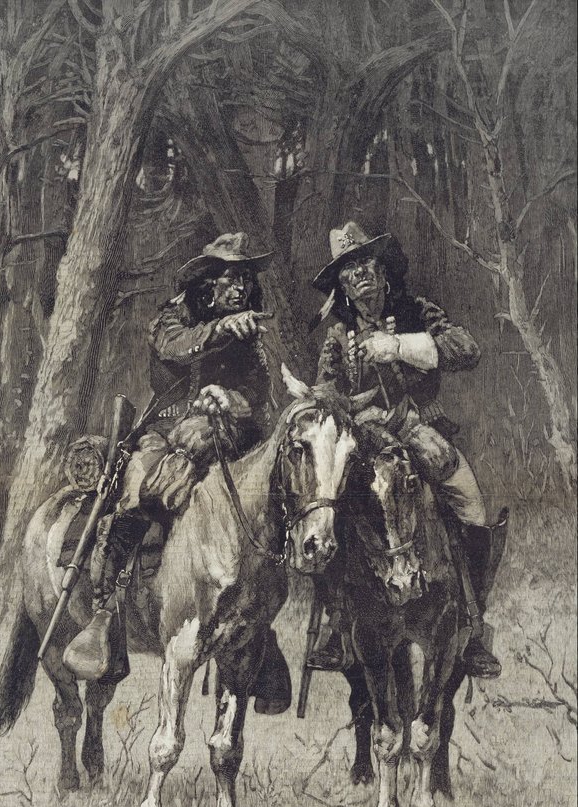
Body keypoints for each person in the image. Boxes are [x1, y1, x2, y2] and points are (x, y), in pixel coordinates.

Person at [69, 233, 292, 712]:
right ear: (208, 284)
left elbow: (259, 390)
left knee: (273, 500)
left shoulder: (249, 333)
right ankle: (106, 608)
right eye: (232, 278)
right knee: (142, 488)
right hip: (167, 432)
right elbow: (174, 348)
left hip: (226, 435)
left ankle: (260, 625)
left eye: (246, 280)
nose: (241, 288)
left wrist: (233, 401)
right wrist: (221, 330)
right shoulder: (175, 316)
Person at [310, 221, 507, 679]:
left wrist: (400, 345)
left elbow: (467, 348)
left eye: (366, 264)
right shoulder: (338, 334)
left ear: (383, 271)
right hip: (363, 438)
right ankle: (337, 625)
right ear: (342, 284)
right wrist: (346, 405)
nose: (360, 275)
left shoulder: (416, 311)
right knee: (324, 509)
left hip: (420, 428)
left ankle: (474, 628)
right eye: (349, 269)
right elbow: (326, 388)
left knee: (471, 502)